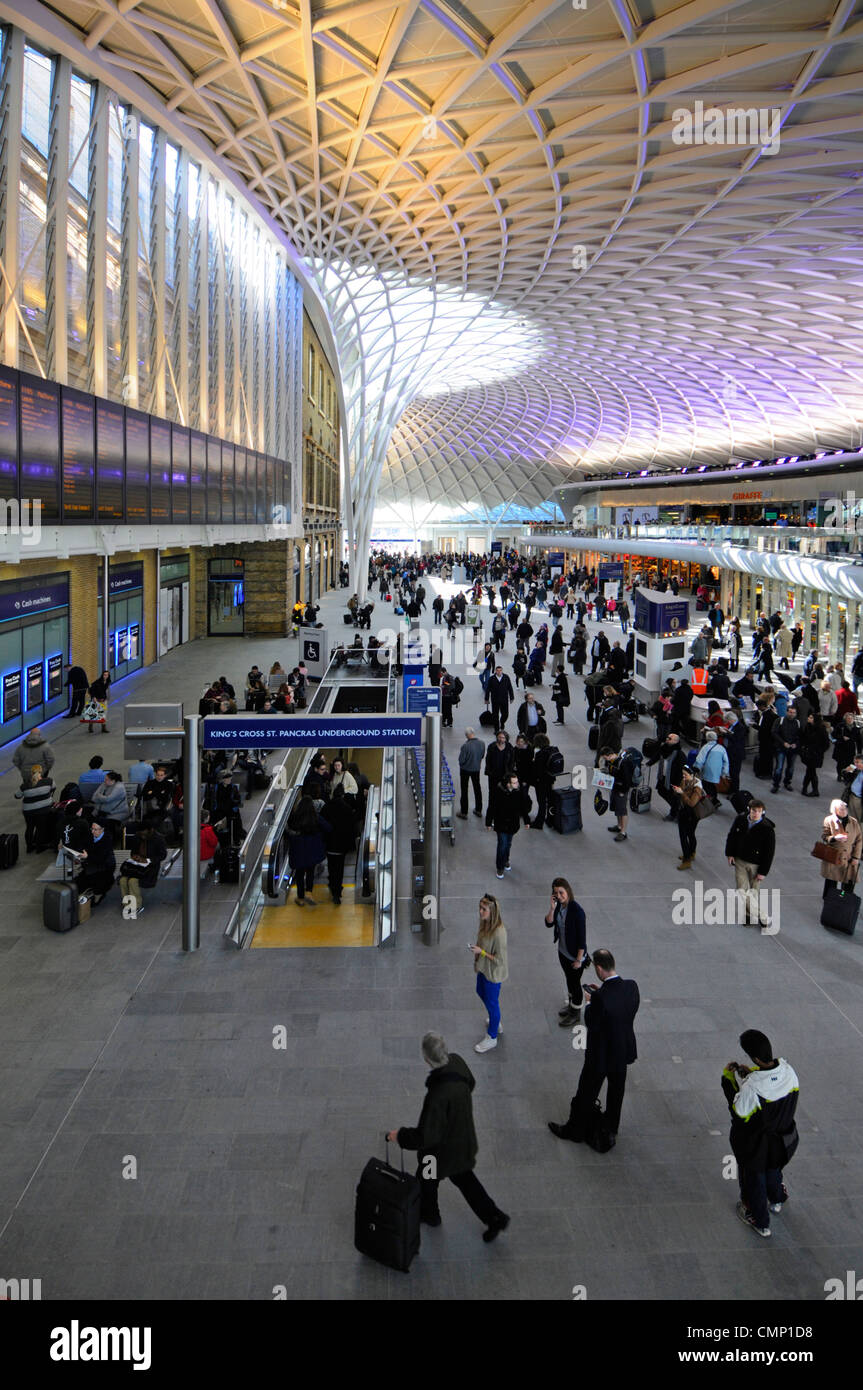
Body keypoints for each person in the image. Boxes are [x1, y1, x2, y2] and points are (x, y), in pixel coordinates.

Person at [386, 1032, 509, 1242]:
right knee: (463, 1181)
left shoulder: (437, 1096)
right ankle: (493, 1217)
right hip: (462, 1139)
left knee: (428, 1178)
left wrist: (399, 1136)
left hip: (438, 1152)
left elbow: (424, 1137)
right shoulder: (457, 1062)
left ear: (427, 1059)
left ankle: (432, 1215)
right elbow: (471, 1082)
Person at [548, 948, 639, 1149]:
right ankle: (611, 1128)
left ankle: (574, 1130)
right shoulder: (632, 987)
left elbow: (592, 1022)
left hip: (600, 1056)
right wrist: (601, 995)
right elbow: (620, 1008)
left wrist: (590, 1003)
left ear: (598, 968)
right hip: (622, 1052)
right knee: (616, 1092)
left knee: (586, 1092)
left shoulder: (599, 999)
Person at [721, 1030, 799, 1238]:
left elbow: (740, 1113)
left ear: (754, 1058)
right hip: (782, 1140)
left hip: (756, 1146)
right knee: (774, 1170)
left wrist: (728, 1081)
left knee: (754, 1181)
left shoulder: (752, 1089)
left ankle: (760, 1221)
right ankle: (777, 1199)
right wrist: (752, 1073)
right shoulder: (789, 1071)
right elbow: (771, 1080)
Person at [725, 799, 776, 928]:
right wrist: (730, 853)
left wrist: (763, 872)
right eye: (754, 811)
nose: (756, 814)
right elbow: (732, 836)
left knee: (753, 892)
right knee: (742, 890)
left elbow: (769, 852)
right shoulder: (740, 820)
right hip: (740, 860)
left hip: (756, 865)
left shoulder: (767, 828)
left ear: (762, 812)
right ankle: (762, 916)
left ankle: (748, 915)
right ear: (749, 810)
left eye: (759, 811)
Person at [545, 878, 588, 1028]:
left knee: (575, 984)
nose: (559, 895)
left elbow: (582, 940)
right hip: (563, 952)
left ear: (568, 891)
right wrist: (551, 908)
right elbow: (549, 923)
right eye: (556, 893)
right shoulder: (558, 907)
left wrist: (578, 960)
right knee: (569, 981)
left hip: (575, 956)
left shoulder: (577, 912)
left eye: (561, 892)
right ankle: (571, 1007)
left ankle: (575, 1013)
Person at [472, 894, 509, 1053]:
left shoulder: (499, 933)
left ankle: (492, 1035)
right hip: (483, 968)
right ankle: (495, 1020)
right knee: (480, 991)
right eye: (480, 908)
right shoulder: (485, 924)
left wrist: (482, 953)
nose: (480, 912)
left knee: (493, 1003)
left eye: (484, 909)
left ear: (492, 912)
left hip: (493, 973)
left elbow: (500, 960)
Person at [286, 795, 331, 907]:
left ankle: (300, 897)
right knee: (310, 871)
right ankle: (309, 892)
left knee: (300, 873)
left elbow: (287, 830)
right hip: (312, 848)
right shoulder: (315, 817)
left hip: (298, 849)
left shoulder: (295, 817)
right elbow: (328, 828)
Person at [818, 799, 862, 902]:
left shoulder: (853, 822)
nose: (844, 811)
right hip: (834, 855)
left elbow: (859, 840)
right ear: (835, 810)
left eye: (845, 809)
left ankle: (843, 898)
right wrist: (834, 838)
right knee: (831, 881)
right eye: (841, 809)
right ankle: (829, 899)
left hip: (849, 856)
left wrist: (856, 857)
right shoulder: (829, 820)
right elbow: (825, 836)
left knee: (848, 882)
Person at [491, 771, 531, 879]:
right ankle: (500, 867)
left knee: (508, 843)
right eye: (514, 783)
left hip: (512, 824)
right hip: (501, 824)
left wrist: (526, 821)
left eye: (517, 782)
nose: (517, 784)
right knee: (502, 845)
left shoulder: (518, 791)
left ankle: (506, 860)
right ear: (508, 784)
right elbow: (492, 806)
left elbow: (523, 806)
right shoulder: (499, 791)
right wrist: (488, 821)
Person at [324, 785, 357, 905]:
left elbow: (322, 824)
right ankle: (337, 892)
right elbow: (351, 828)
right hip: (341, 845)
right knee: (339, 868)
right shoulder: (347, 809)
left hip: (329, 844)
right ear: (343, 795)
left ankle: (333, 885)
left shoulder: (326, 807)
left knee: (331, 866)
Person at [75, 819, 117, 902]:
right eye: (92, 829)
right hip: (92, 863)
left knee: (96, 880)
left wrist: (87, 856)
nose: (92, 831)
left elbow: (101, 858)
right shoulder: (90, 836)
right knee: (79, 882)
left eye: (95, 829)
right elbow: (83, 845)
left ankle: (98, 893)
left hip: (106, 865)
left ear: (102, 829)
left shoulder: (107, 839)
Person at [17, 765, 56, 853]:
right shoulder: (49, 781)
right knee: (40, 828)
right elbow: (53, 788)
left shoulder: (25, 785)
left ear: (31, 773)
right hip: (43, 810)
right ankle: (39, 847)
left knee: (29, 828)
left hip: (28, 811)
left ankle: (29, 847)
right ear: (41, 772)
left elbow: (17, 796)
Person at [674, 765, 704, 870]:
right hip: (685, 811)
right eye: (682, 774)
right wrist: (678, 790)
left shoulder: (697, 787)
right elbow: (681, 790)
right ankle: (691, 852)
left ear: (692, 775)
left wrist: (682, 793)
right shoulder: (685, 781)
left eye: (685, 774)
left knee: (684, 835)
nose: (683, 776)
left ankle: (687, 860)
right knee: (690, 833)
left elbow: (692, 803)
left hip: (691, 814)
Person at [91, 770, 131, 842]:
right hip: (102, 811)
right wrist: (102, 797)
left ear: (113, 781)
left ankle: (110, 842)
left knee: (108, 824)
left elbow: (108, 799)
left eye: (107, 779)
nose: (104, 781)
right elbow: (93, 798)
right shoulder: (104, 784)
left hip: (116, 813)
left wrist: (99, 796)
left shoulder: (119, 787)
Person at [799, 711, 831, 797]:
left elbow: (826, 744)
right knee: (810, 771)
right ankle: (810, 789)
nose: (808, 718)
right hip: (808, 753)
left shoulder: (821, 729)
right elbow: (804, 738)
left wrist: (818, 751)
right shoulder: (808, 727)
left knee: (811, 771)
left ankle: (809, 789)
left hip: (816, 755)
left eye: (811, 717)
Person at [694, 729, 729, 806]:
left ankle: (713, 801)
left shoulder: (705, 747)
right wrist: (724, 772)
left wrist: (696, 768)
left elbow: (700, 759)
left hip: (707, 770)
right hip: (717, 770)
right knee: (713, 785)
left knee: (707, 785)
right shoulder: (721, 748)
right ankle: (715, 800)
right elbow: (726, 761)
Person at [771, 703, 801, 793]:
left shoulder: (797, 723)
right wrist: (783, 743)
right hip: (781, 748)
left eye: (793, 713)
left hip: (792, 749)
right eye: (790, 712)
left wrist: (796, 744)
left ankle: (787, 782)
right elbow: (774, 732)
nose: (791, 714)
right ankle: (776, 784)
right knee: (779, 767)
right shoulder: (779, 720)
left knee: (791, 767)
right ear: (787, 712)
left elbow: (800, 736)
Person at [457, 727, 485, 820]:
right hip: (476, 769)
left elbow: (461, 760)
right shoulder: (482, 743)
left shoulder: (465, 746)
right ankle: (478, 809)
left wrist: (464, 764)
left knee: (464, 789)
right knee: (477, 788)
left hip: (465, 770)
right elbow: (482, 755)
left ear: (466, 735)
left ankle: (464, 812)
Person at [724, 709, 747, 793]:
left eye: (727, 721)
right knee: (731, 772)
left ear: (731, 720)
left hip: (736, 754)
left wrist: (726, 733)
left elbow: (736, 739)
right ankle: (731, 789)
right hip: (731, 752)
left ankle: (735, 791)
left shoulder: (740, 727)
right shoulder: (732, 726)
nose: (727, 723)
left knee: (735, 774)